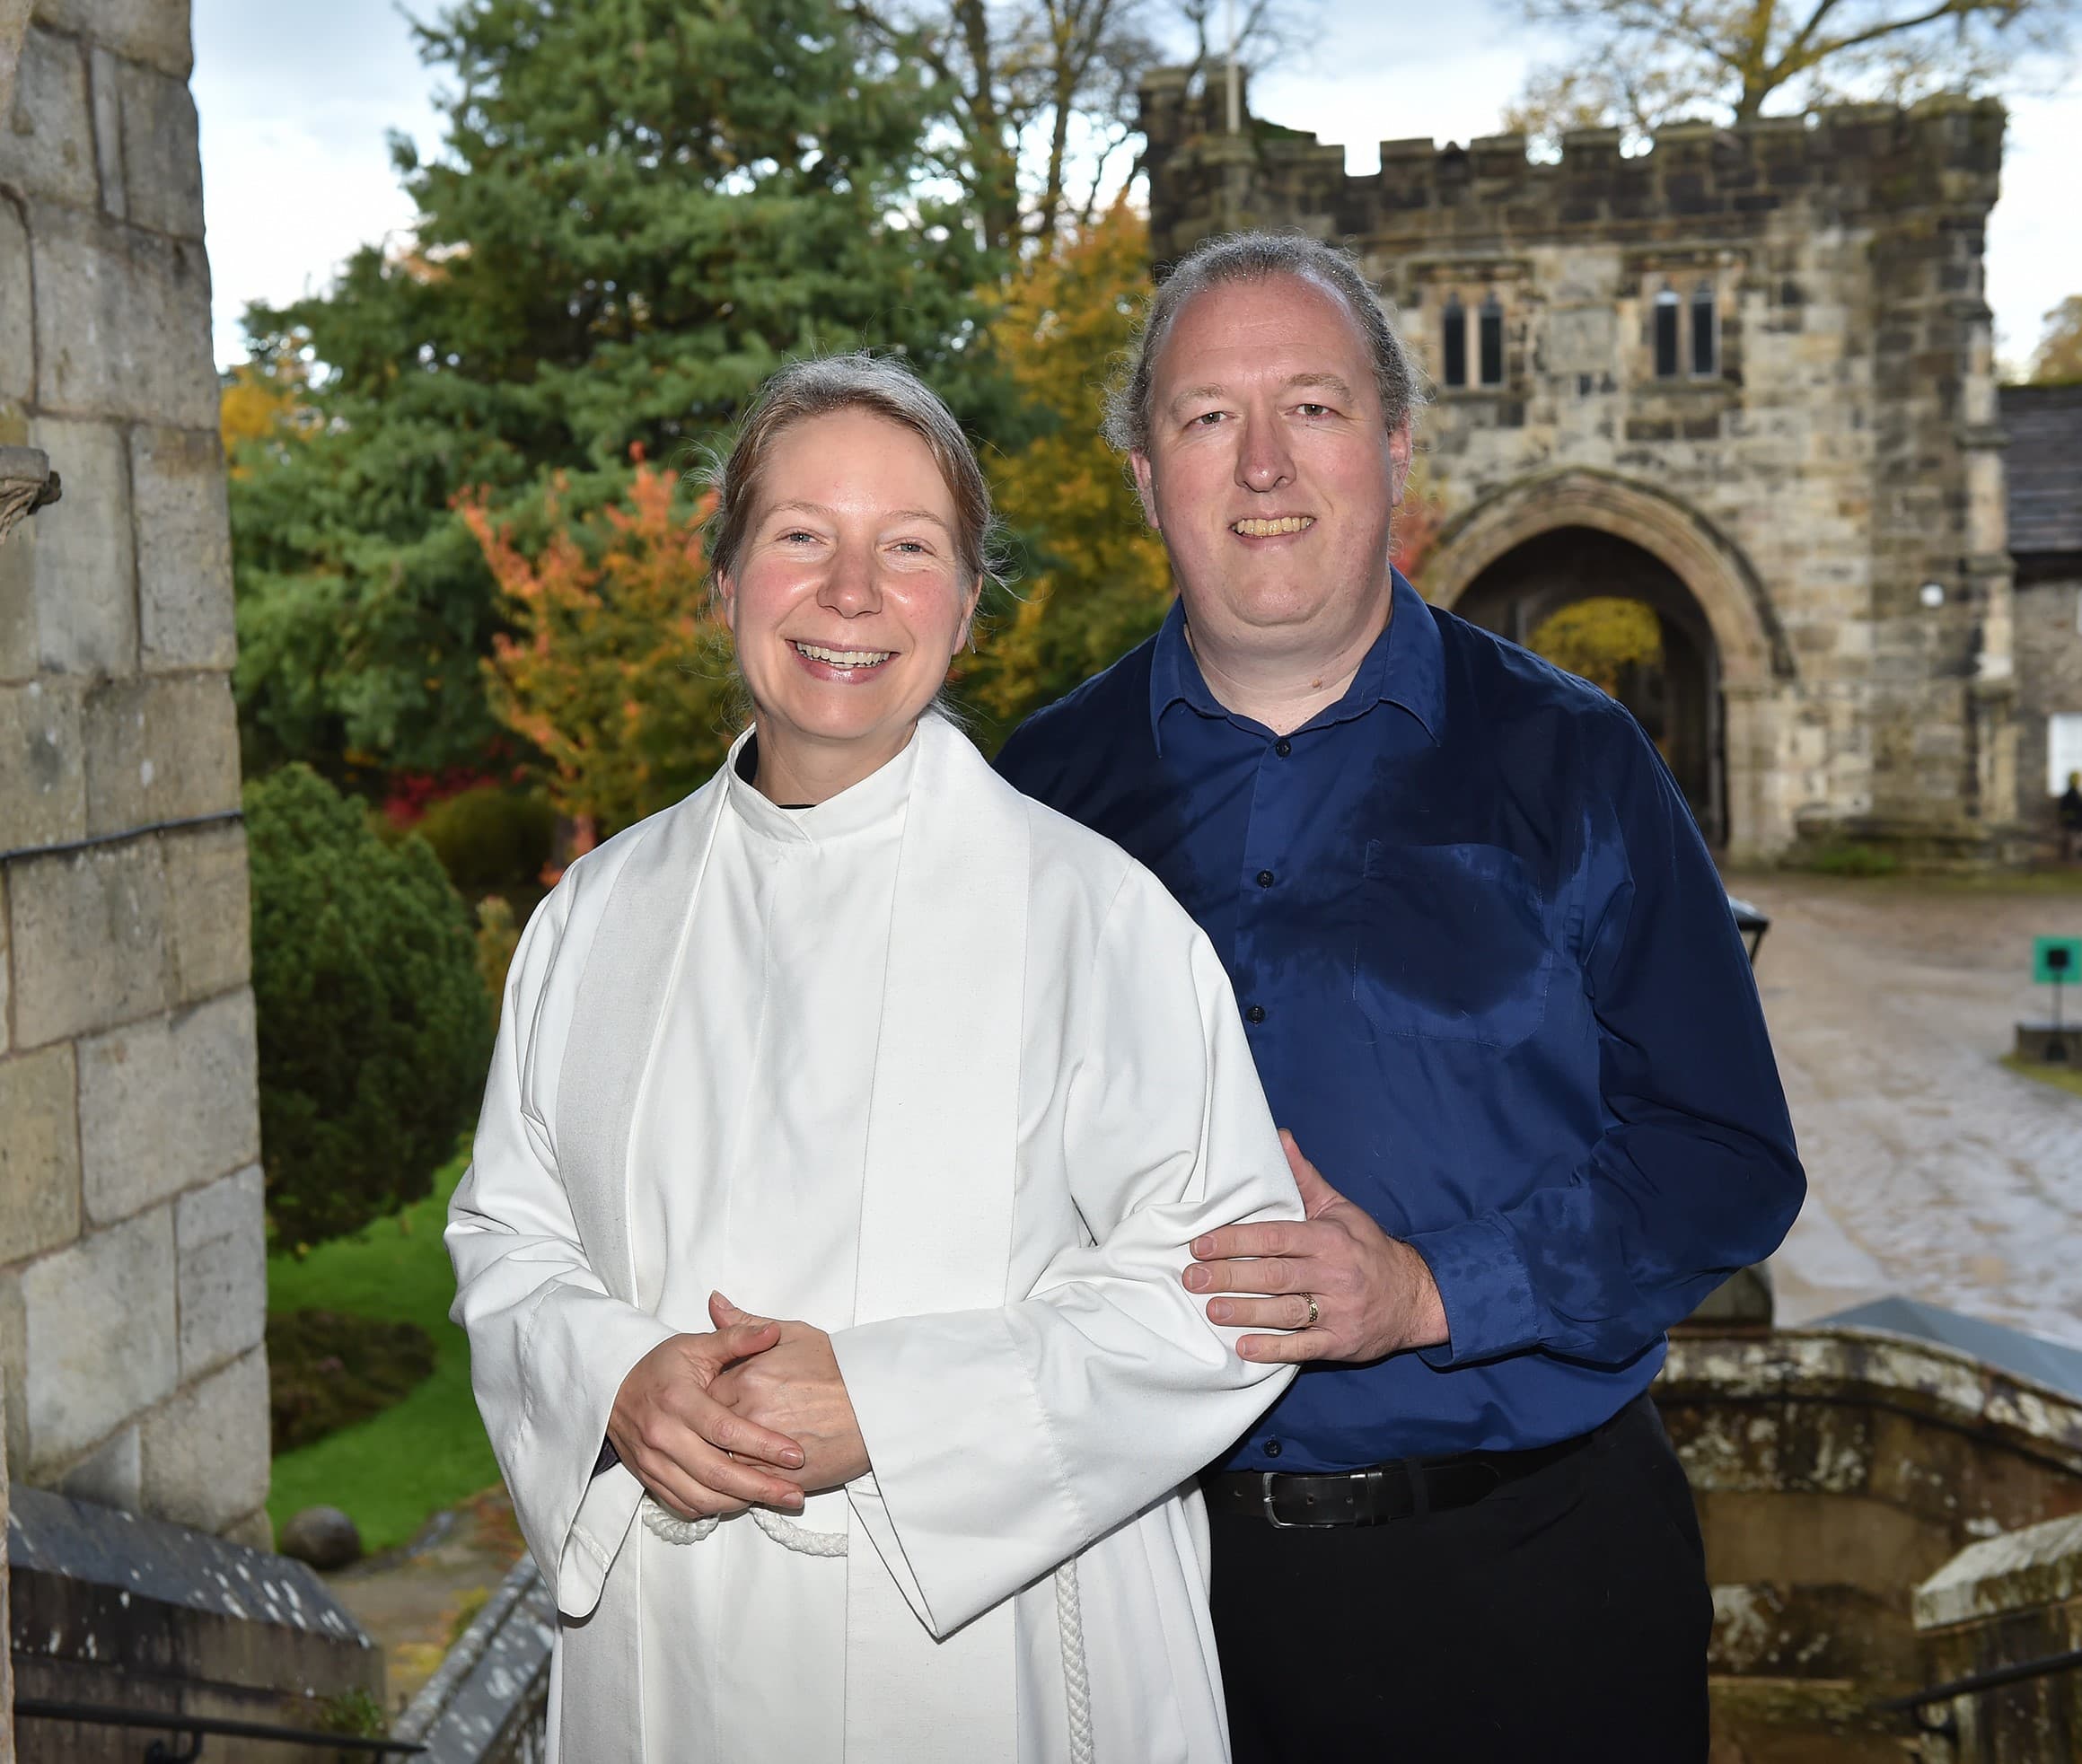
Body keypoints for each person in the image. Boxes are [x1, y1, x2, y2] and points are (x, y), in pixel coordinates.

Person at [996, 234, 1808, 1763]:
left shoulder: (1573, 765)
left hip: (1536, 1592)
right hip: (1146, 1592)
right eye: (1201, 418)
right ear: (1138, 469)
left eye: (1306, 407)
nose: (1259, 470)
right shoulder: (1034, 799)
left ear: (1388, 443)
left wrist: (1430, 1293)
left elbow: (1722, 1153)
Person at [446, 354, 1305, 1764]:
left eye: (908, 549)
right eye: (800, 537)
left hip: (988, 1666)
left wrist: (896, 1414)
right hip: (675, 1641)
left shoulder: (1096, 919)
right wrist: (611, 1376)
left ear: (965, 609)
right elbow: (506, 1234)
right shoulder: (594, 918)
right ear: (723, 578)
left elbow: (1221, 1296)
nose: (850, 595)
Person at [2060, 768, 2082, 862]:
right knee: (2074, 843)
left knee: (2074, 842)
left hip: (2073, 823)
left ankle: (2073, 860)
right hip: (2073, 823)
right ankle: (2073, 861)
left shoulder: (2072, 793)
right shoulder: (2072, 793)